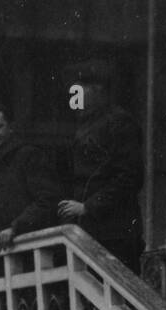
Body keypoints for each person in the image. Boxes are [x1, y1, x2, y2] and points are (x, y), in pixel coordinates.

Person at [59, 59, 145, 272]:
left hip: (115, 233)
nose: (74, 97)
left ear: (98, 90)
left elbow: (130, 177)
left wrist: (88, 207)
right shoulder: (84, 126)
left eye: (80, 90)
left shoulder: (119, 123)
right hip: (88, 232)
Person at [0, 99, 62, 252]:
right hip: (8, 251)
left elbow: (47, 200)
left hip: (36, 248)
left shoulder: (29, 156)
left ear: (11, 127)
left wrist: (15, 227)